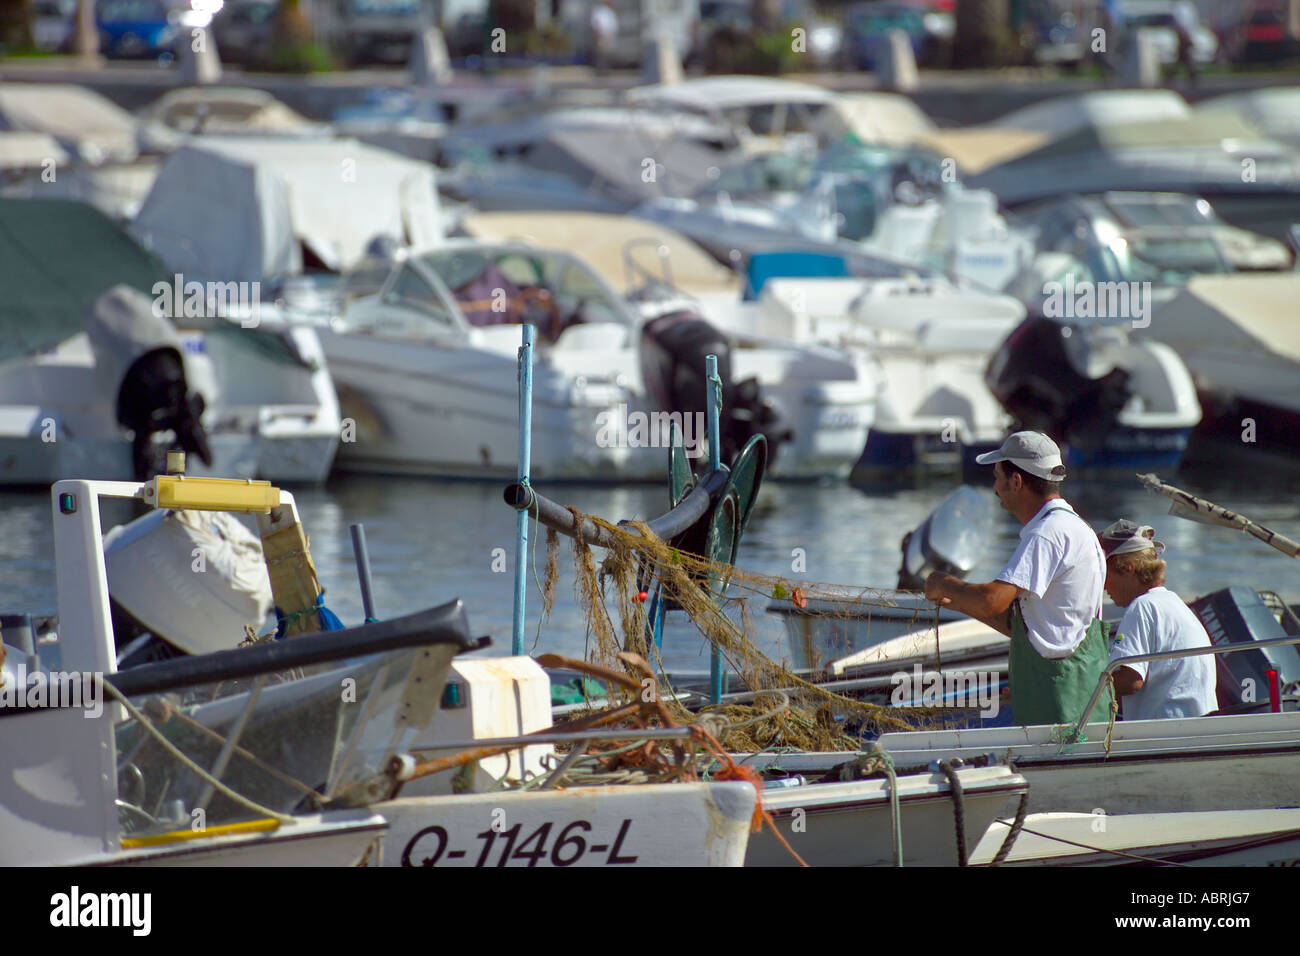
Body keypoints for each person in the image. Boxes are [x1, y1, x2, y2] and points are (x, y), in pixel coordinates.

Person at [924, 431, 1113, 726]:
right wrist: (958, 603)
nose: (995, 488)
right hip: (1074, 695)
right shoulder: (1073, 527)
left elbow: (991, 601)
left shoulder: (1047, 534)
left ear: (1016, 482)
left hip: (1060, 704)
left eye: (998, 477)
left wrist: (944, 583)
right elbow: (1032, 628)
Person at [1100, 519, 1217, 720]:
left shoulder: (1141, 607)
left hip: (1166, 730)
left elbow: (1131, 680)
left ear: (1129, 568)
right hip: (1196, 723)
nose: (1102, 585)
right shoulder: (1173, 603)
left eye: (1105, 574)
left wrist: (1084, 692)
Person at [590, 1, 617, 75]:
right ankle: (600, 70)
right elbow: (596, 24)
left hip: (609, 36)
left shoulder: (609, 12)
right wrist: (598, 35)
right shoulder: (600, 12)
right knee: (601, 54)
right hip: (602, 35)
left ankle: (606, 69)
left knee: (607, 54)